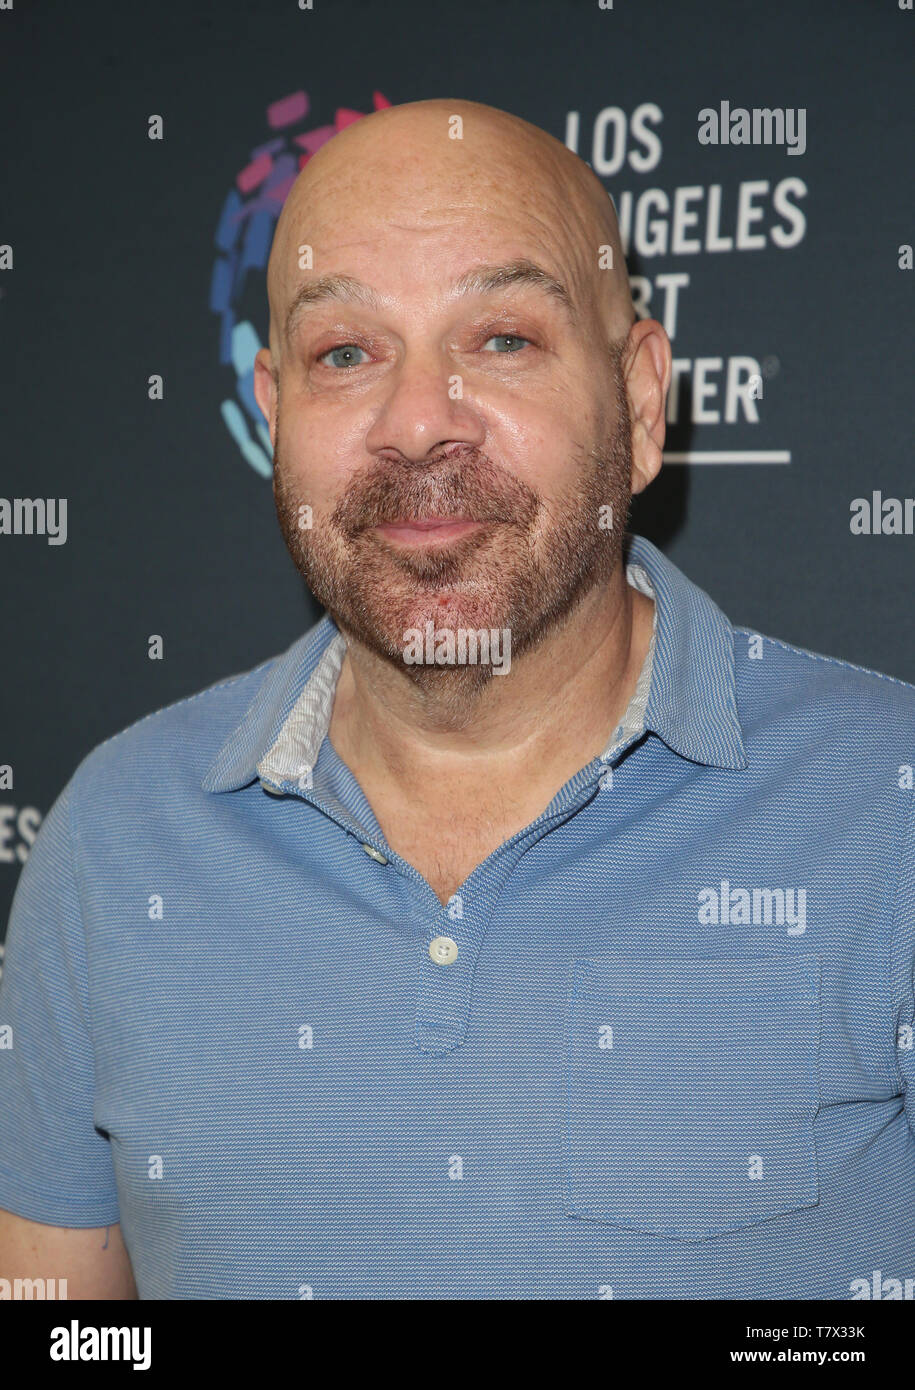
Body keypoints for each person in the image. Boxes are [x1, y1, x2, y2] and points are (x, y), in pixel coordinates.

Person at [0, 98, 913, 1300]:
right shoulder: (115, 840)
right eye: (346, 354)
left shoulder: (887, 812)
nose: (419, 419)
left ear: (641, 403)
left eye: (503, 337)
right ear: (273, 417)